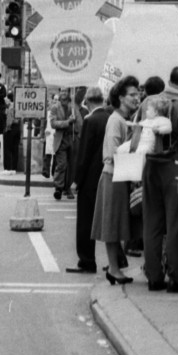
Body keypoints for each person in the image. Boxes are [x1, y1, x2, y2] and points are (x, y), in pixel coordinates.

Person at [140, 65, 178, 293]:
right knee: (177, 225)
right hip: (177, 167)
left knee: (152, 222)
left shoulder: (148, 102)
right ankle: (176, 278)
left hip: (151, 165)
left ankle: (154, 276)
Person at [91, 75, 141, 284]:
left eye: (138, 94)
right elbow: (112, 153)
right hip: (114, 176)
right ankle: (113, 268)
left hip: (122, 176)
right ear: (120, 97)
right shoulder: (115, 120)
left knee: (117, 224)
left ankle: (115, 267)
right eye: (132, 95)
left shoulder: (126, 120)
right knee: (112, 225)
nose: (137, 98)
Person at [67, 86, 110, 274]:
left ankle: (86, 260)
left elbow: (84, 155)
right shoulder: (110, 118)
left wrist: (77, 180)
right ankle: (118, 259)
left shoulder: (90, 120)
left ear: (88, 102)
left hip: (91, 178)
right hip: (107, 173)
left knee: (85, 221)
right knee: (109, 219)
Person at [49, 88, 76, 200]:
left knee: (71, 166)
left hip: (71, 138)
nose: (64, 93)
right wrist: (67, 122)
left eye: (66, 91)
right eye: (62, 91)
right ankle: (58, 188)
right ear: (59, 93)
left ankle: (68, 187)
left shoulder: (72, 106)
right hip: (61, 139)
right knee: (61, 165)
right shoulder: (55, 107)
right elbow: (53, 123)